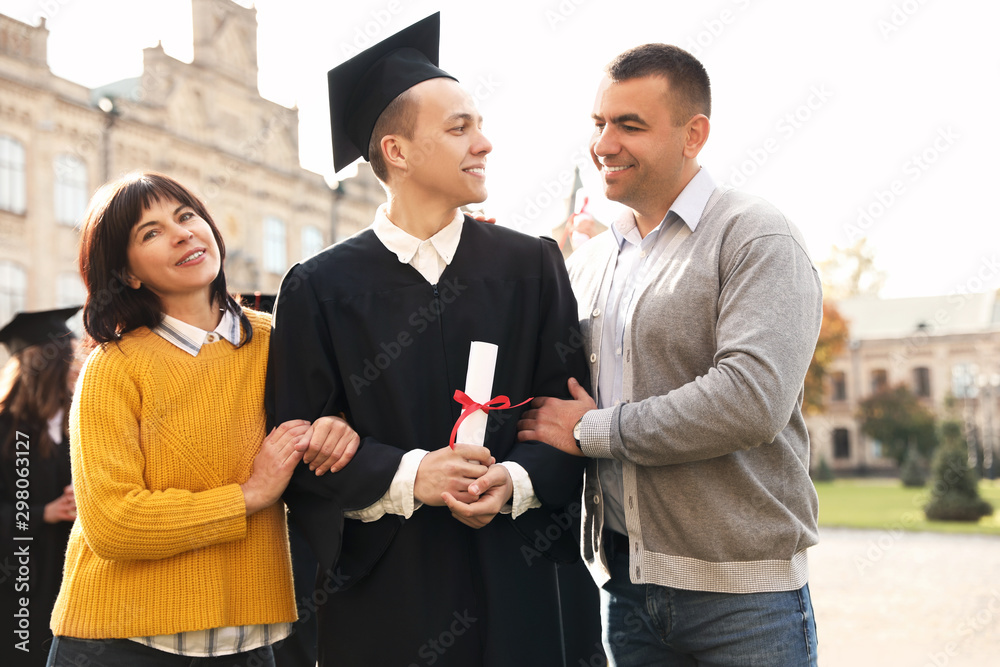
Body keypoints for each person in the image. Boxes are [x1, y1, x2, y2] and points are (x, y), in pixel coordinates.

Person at [266, 13, 602, 667]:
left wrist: (515, 479)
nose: (485, 143)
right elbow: (298, 456)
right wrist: (411, 475)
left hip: (521, 590)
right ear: (398, 151)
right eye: (459, 128)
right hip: (388, 606)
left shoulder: (529, 266)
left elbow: (568, 420)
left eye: (478, 124)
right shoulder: (320, 287)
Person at [517, 44, 823, 666]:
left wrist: (593, 431)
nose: (605, 144)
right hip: (626, 590)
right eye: (600, 124)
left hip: (743, 602)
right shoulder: (594, 261)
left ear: (694, 134)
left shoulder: (754, 234)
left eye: (630, 126)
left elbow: (749, 400)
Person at [46, 172, 358, 667]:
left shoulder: (280, 342)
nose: (181, 233)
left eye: (186, 215)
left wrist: (337, 427)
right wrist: (250, 495)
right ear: (129, 274)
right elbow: (113, 523)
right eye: (150, 232)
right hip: (121, 643)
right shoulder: (115, 366)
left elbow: (334, 424)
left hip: (248, 644)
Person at [0, 307, 81, 666]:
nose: (80, 367)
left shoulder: (76, 421)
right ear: (50, 364)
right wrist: (40, 513)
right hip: (19, 575)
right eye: (72, 357)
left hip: (67, 573)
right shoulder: (6, 428)